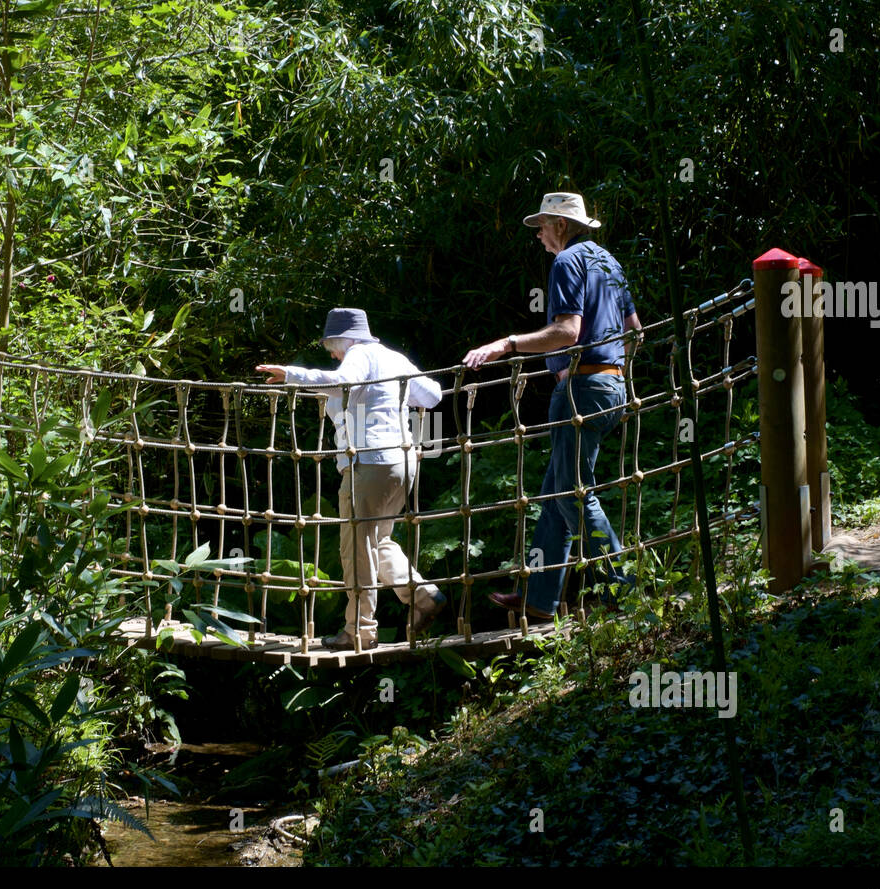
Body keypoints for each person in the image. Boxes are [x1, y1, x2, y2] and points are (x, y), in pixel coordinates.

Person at [462, 192, 641, 621]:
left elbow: (565, 331)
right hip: (609, 388)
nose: (539, 235)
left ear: (561, 225)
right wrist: (612, 370)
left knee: (574, 492)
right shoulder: (609, 263)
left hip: (581, 388)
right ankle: (541, 598)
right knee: (556, 492)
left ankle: (625, 588)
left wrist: (506, 345)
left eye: (542, 226)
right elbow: (636, 330)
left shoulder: (567, 262)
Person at [258, 308, 447, 650]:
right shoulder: (394, 358)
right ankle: (424, 596)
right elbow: (432, 396)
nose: (332, 354)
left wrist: (290, 374)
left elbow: (342, 383)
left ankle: (360, 630)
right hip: (403, 462)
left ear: (344, 339)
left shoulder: (359, 354)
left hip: (369, 464)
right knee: (379, 541)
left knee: (356, 548)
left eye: (332, 347)